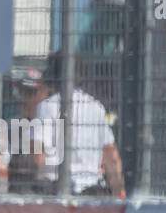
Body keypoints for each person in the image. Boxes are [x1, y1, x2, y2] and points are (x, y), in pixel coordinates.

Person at [18, 56, 126, 198]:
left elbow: (38, 155)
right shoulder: (96, 107)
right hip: (91, 193)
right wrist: (120, 193)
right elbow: (111, 156)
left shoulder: (47, 106)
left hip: (53, 192)